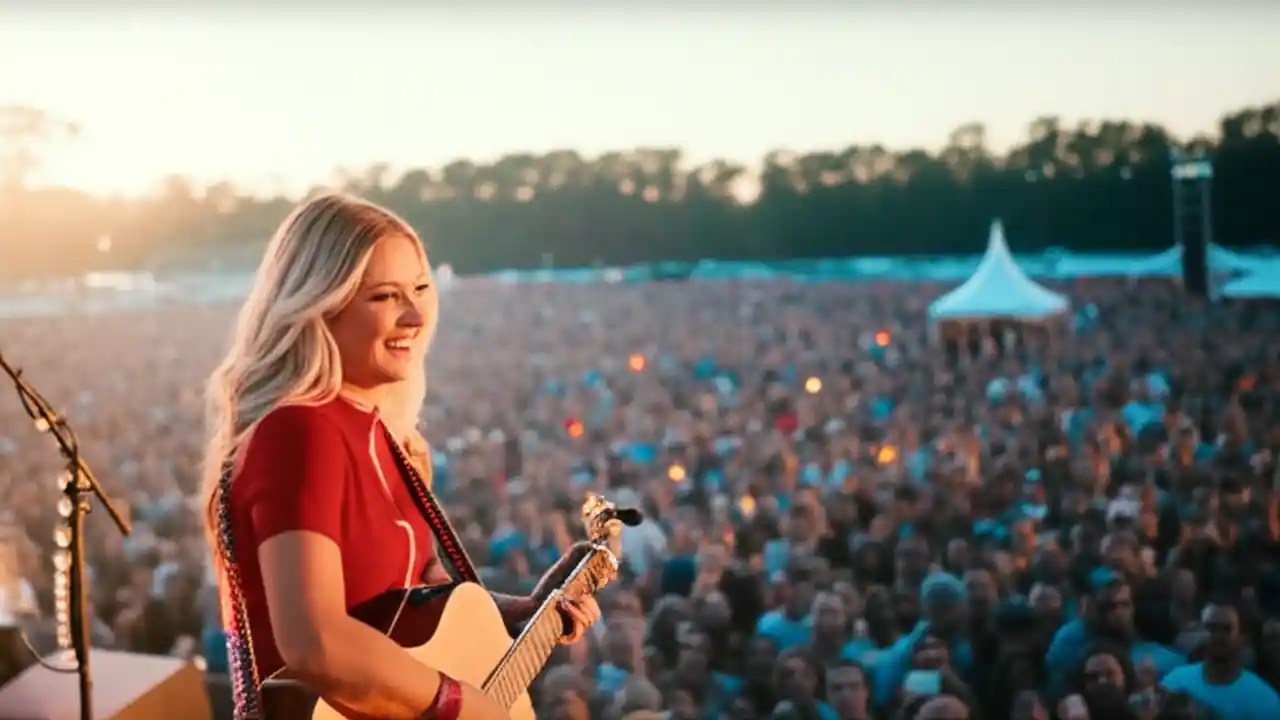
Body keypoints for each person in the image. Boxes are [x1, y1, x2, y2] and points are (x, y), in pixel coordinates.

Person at [200, 193, 601, 720]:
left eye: (421, 289)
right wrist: (459, 704)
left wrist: (516, 613)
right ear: (319, 306)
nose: (414, 316)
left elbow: (410, 603)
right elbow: (315, 642)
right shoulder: (299, 430)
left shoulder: (384, 436)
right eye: (385, 296)